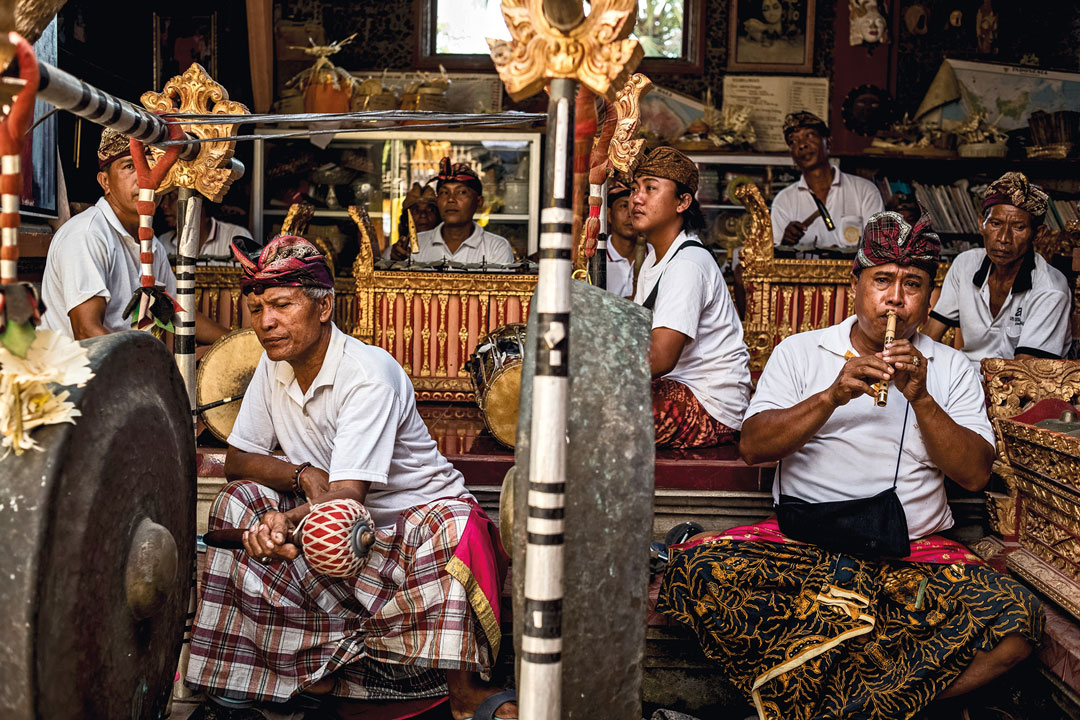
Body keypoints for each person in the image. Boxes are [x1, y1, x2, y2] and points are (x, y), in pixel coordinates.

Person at [656, 210, 1042, 720]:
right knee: (695, 575)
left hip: (912, 558)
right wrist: (832, 395)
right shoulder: (799, 352)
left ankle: (827, 711)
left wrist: (922, 400)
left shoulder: (950, 368)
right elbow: (753, 446)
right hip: (803, 550)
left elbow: (973, 474)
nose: (895, 299)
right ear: (855, 285)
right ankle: (876, 706)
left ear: (930, 297)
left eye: (913, 284)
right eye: (881, 280)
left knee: (1017, 626)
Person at [186, 235, 514, 720]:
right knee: (239, 501)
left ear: (324, 308)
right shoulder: (272, 365)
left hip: (410, 534)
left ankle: (464, 692)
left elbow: (345, 498)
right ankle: (294, 674)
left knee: (448, 522)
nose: (265, 322)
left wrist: (282, 524)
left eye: (281, 305)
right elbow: (239, 458)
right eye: (256, 309)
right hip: (334, 529)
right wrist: (301, 474)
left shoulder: (367, 374)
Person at [40, 129, 228, 343]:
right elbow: (87, 333)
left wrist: (235, 341)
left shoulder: (151, 244)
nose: (144, 178)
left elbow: (178, 315)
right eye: (130, 166)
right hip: (78, 373)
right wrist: (147, 367)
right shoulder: (87, 235)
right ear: (105, 182)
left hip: (125, 364)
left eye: (152, 166)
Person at [631, 147, 752, 448]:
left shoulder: (686, 265)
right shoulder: (654, 259)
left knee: (594, 410)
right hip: (679, 385)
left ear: (683, 201)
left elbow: (660, 358)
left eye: (650, 188)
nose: (637, 198)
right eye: (635, 188)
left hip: (711, 404)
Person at [924, 171, 1071, 366]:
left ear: (1038, 234)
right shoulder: (965, 264)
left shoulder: (1050, 289)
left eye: (1018, 227)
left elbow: (1024, 371)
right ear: (981, 224)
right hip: (964, 381)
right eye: (995, 223)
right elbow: (931, 335)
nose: (1003, 238)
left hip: (1017, 387)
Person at [770, 111, 884, 248]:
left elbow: (878, 251)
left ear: (828, 143)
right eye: (793, 141)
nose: (801, 145)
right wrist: (785, 244)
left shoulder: (865, 192)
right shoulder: (784, 201)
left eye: (809, 135)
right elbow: (774, 260)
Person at [384, 158, 514, 265]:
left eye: (461, 192)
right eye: (444, 192)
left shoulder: (496, 248)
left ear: (479, 202)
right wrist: (395, 264)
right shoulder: (412, 246)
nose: (451, 199)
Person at [157, 190, 253, 260]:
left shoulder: (236, 238)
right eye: (164, 198)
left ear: (197, 200)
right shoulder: (163, 242)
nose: (164, 205)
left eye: (172, 196)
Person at [604, 178, 652, 298]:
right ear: (609, 215)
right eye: (624, 206)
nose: (630, 214)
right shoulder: (597, 257)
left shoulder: (655, 255)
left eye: (635, 207)